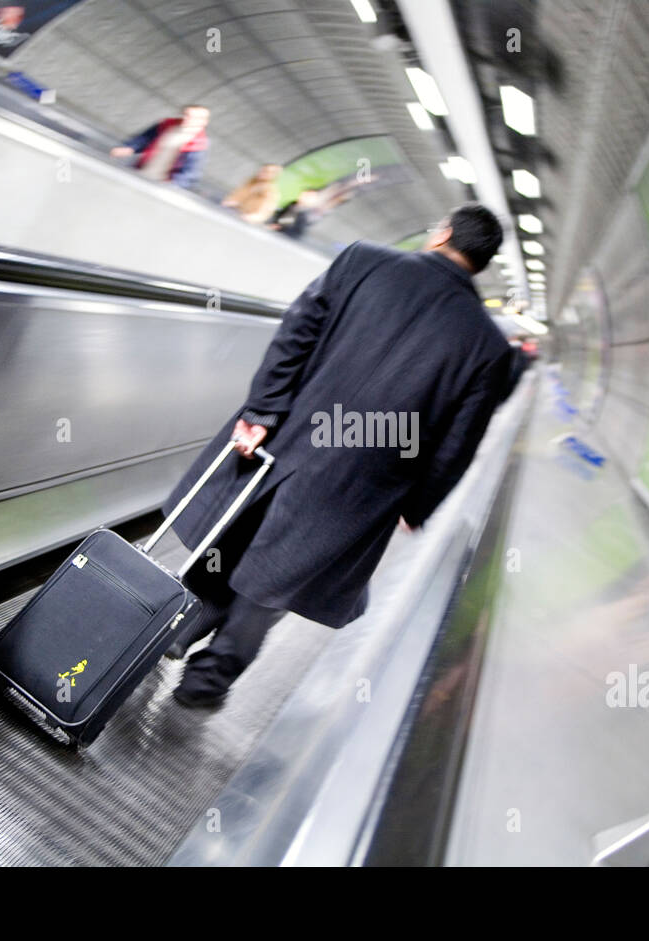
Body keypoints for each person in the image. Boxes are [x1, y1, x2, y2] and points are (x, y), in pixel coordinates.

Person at [160, 203, 514, 707]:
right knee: (272, 585)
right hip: (361, 484)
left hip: (284, 442)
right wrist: (418, 505)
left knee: (229, 541)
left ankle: (173, 630)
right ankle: (203, 685)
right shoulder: (488, 346)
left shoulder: (363, 261)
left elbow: (296, 332)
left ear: (443, 234)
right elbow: (458, 442)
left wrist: (262, 412)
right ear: (480, 264)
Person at [109, 105, 210, 188]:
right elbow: (145, 138)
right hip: (140, 171)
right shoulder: (167, 125)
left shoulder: (198, 144)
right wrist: (130, 147)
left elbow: (190, 172)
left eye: (193, 117)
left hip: (161, 184)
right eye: (186, 115)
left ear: (203, 121)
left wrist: (173, 185)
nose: (186, 118)